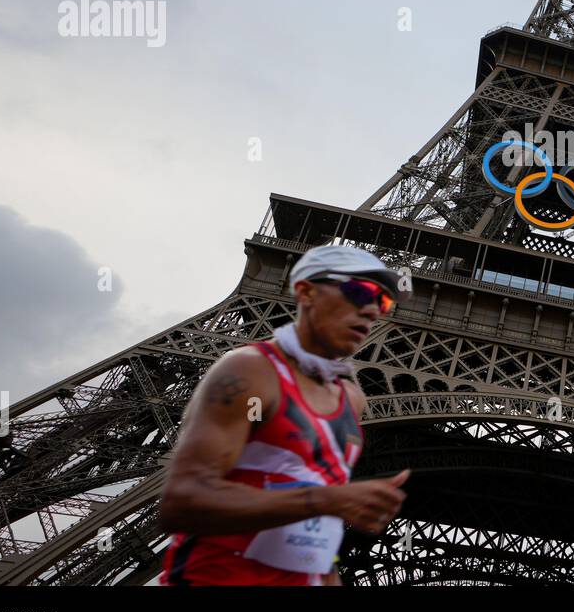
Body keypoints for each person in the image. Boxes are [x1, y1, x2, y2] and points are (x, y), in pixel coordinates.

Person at [158, 245, 412, 585]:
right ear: (306, 292)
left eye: (382, 301)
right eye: (359, 291)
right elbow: (182, 503)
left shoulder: (353, 400)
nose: (370, 311)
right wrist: (325, 500)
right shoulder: (249, 371)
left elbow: (318, 544)